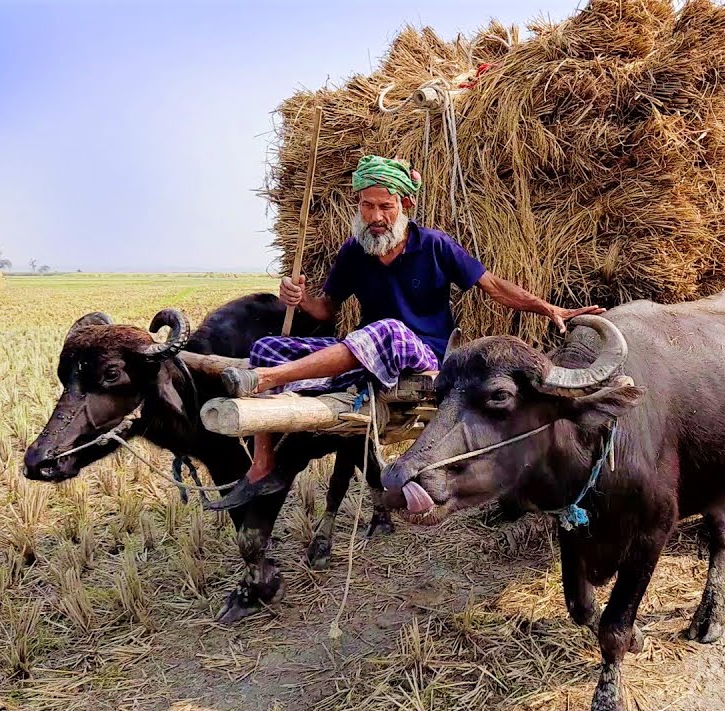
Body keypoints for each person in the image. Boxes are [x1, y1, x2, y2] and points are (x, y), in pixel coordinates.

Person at [208, 154, 601, 510]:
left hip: (426, 358)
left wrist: (548, 308)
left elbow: (493, 286)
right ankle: (263, 467)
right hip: (366, 355)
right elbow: (327, 307)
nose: (375, 216)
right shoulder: (353, 251)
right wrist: (300, 298)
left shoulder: (434, 246)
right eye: (366, 205)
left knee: (388, 331)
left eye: (385, 205)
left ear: (404, 206)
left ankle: (264, 380)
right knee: (267, 346)